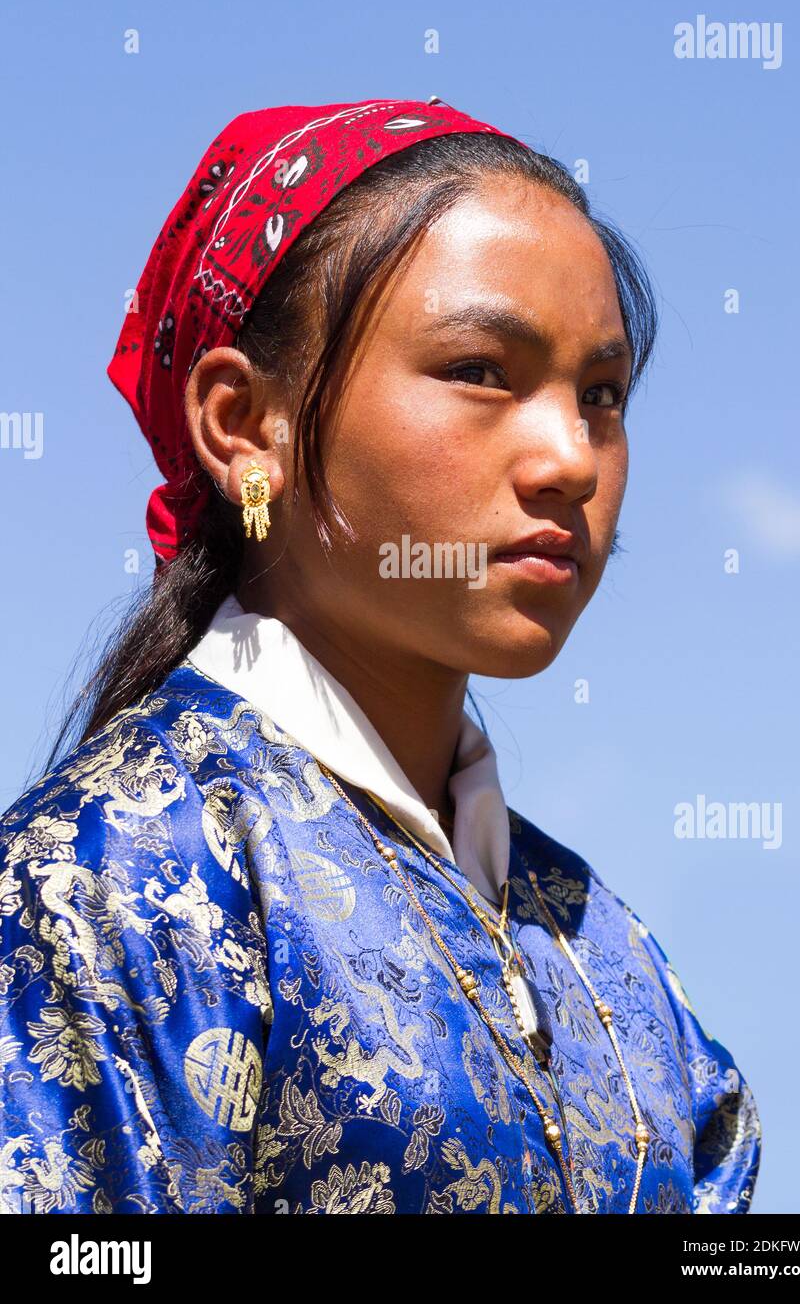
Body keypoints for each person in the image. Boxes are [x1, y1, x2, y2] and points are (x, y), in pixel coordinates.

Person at [0, 97, 761, 1215]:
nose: (569, 457)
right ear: (242, 426)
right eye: (477, 369)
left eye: (599, 396)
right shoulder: (109, 883)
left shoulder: (610, 958)